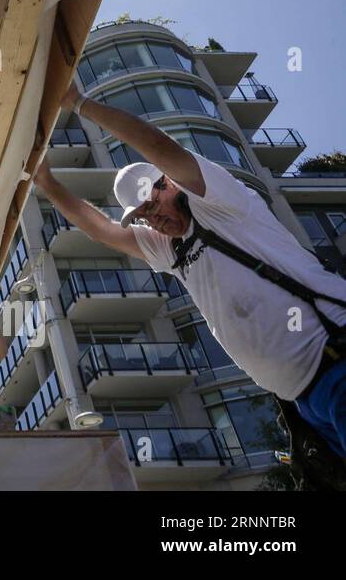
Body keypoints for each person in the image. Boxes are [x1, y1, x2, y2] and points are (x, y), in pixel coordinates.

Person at [32, 82, 346, 466]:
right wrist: (47, 184)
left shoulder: (218, 203)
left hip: (334, 360)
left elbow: (161, 147)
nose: (154, 217)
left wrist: (79, 104)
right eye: (144, 214)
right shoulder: (170, 247)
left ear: (170, 183)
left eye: (153, 202)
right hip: (306, 401)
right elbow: (102, 230)